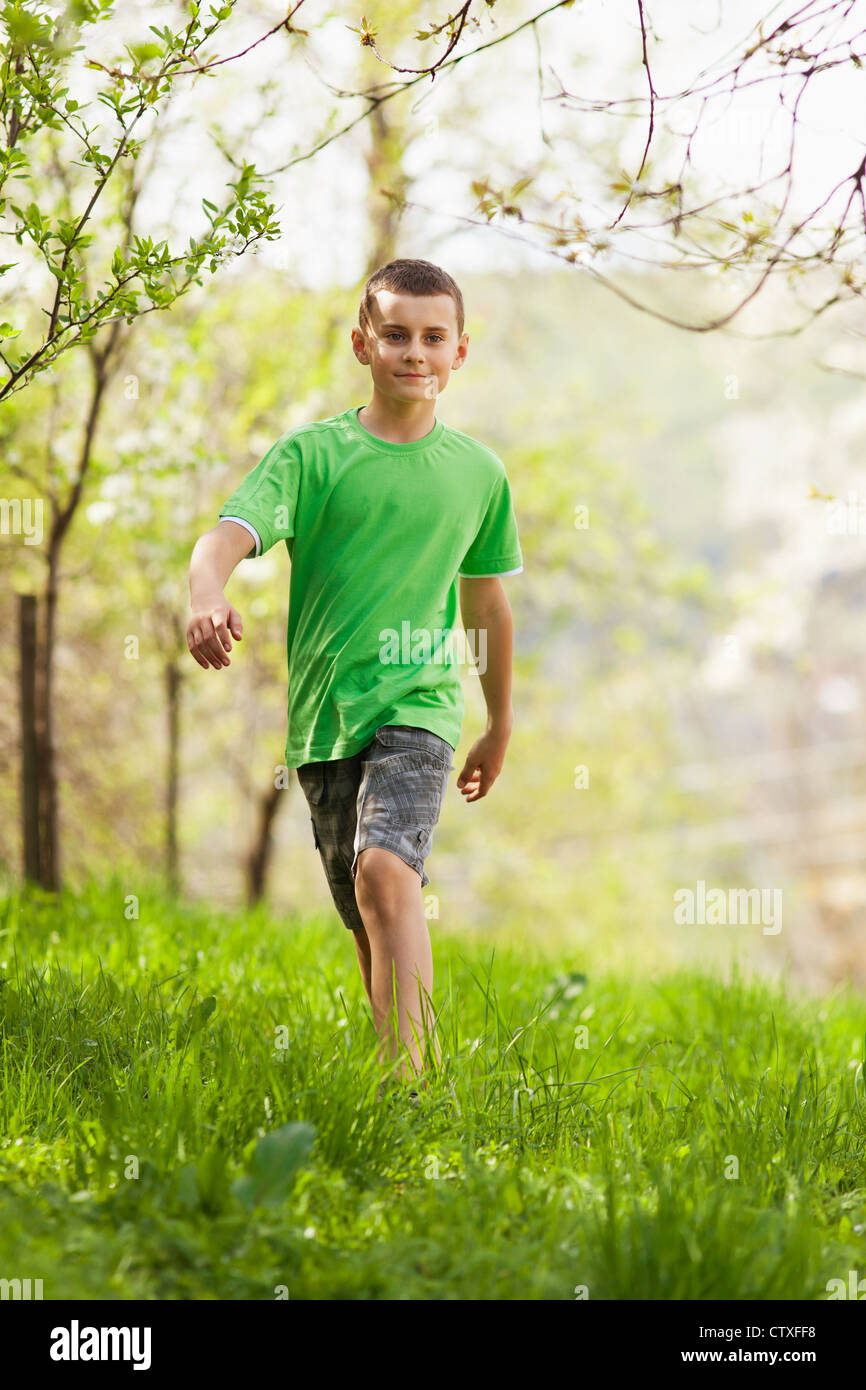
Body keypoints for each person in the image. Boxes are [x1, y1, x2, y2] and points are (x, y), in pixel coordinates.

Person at [186, 258, 522, 1097]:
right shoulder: (312, 456)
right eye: (397, 334)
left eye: (433, 336)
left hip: (422, 708)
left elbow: (487, 609)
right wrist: (206, 593)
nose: (416, 351)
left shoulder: (478, 474)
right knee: (369, 920)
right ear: (362, 343)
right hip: (325, 722)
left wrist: (499, 722)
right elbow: (226, 535)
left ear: (460, 351)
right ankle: (391, 1091)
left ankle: (414, 1088)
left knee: (384, 872)